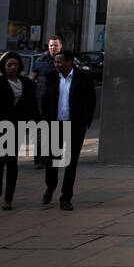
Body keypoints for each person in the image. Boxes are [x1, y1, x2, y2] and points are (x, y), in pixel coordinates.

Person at [0, 52, 40, 209]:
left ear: (19, 66)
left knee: (12, 162)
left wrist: (36, 122)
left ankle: (9, 198)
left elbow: (31, 103)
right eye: (9, 65)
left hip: (16, 126)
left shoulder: (25, 83)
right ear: (4, 67)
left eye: (15, 65)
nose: (13, 68)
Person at [41, 50, 97, 210]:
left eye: (60, 62)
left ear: (70, 62)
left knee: (71, 162)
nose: (57, 65)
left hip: (75, 125)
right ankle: (50, 187)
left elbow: (91, 100)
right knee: (52, 160)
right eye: (55, 62)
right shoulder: (52, 77)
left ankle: (66, 197)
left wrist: (86, 121)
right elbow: (46, 100)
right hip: (54, 123)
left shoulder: (83, 77)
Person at [32, 35, 63, 169]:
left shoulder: (65, 61)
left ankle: (54, 156)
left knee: (57, 128)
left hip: (58, 100)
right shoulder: (40, 60)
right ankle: (40, 159)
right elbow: (32, 77)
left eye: (55, 45)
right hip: (42, 100)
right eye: (51, 45)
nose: (53, 48)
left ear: (60, 46)